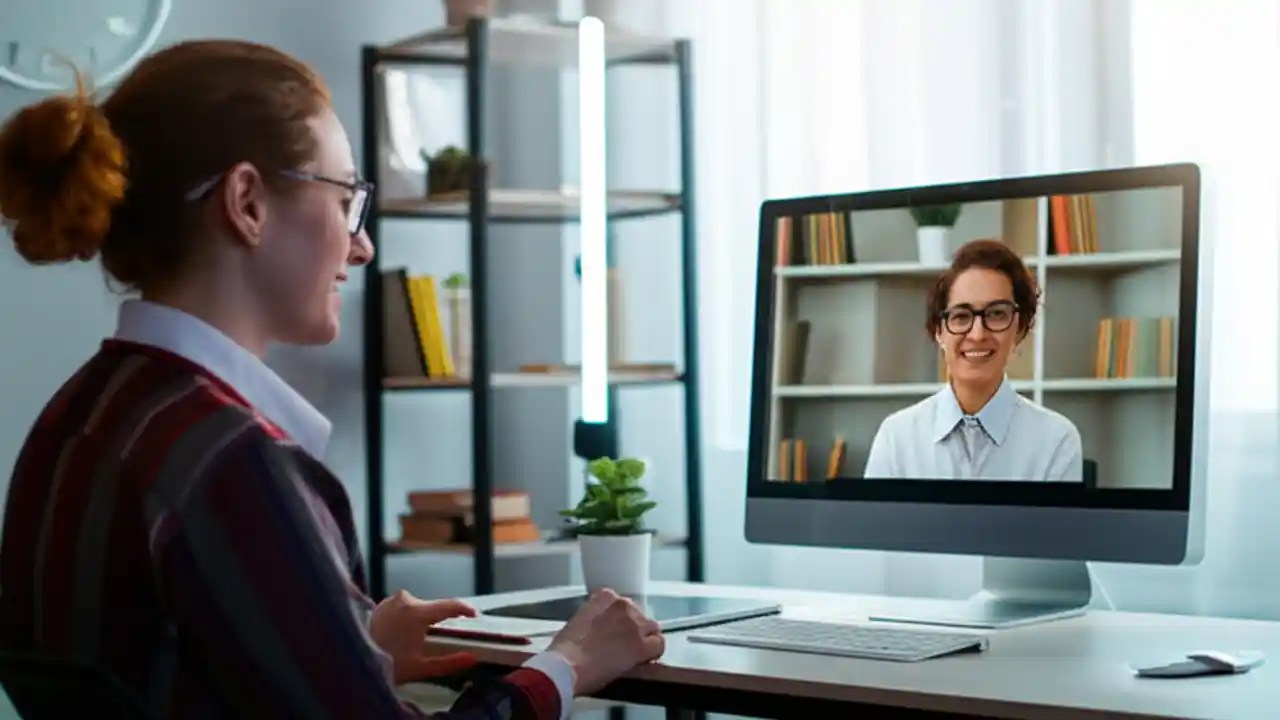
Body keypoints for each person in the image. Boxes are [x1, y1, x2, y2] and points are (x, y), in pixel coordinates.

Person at [0, 40, 662, 719]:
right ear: (247, 202)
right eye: (346, 195)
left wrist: (349, 643)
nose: (362, 243)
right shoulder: (231, 463)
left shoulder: (72, 421)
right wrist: (567, 666)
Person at [862, 239, 1083, 482]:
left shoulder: (1055, 440)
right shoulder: (897, 437)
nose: (977, 334)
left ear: (1019, 328)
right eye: (961, 316)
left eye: (997, 314)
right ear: (939, 331)